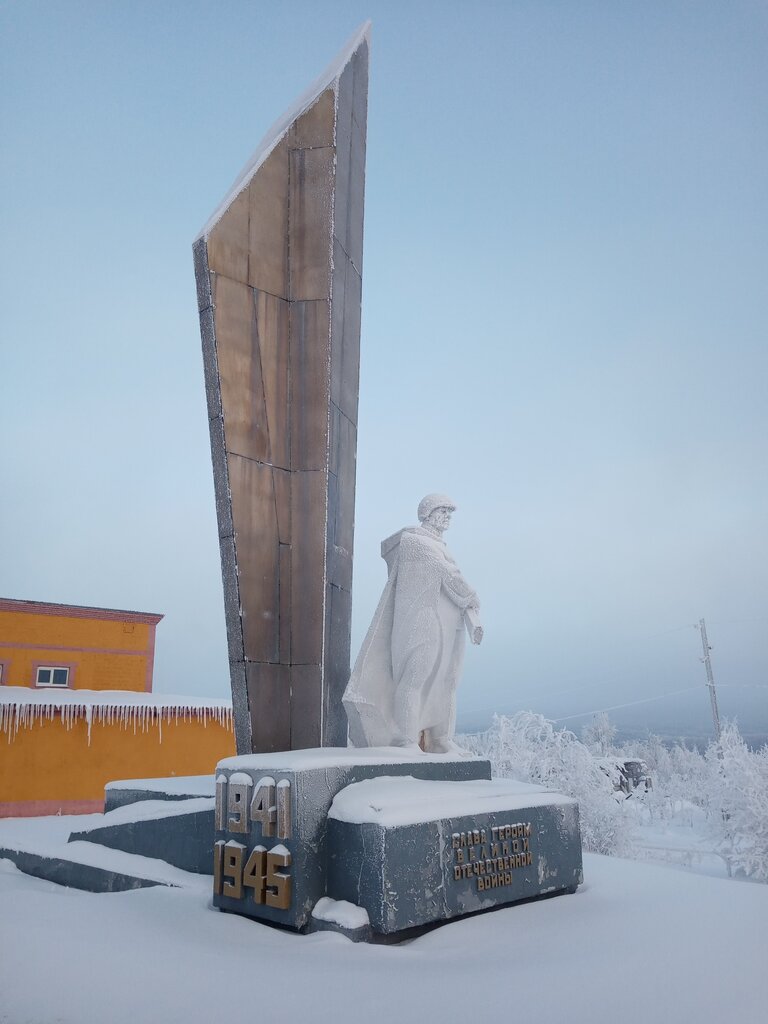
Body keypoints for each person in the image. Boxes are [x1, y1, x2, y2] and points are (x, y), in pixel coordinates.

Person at [343, 494, 483, 753]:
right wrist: (471, 596)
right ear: (427, 513)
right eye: (442, 511)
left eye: (449, 513)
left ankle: (440, 738)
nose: (447, 517)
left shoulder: (441, 546)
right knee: (415, 676)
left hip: (446, 624)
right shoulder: (414, 542)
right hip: (421, 622)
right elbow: (446, 574)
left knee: (447, 680)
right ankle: (405, 739)